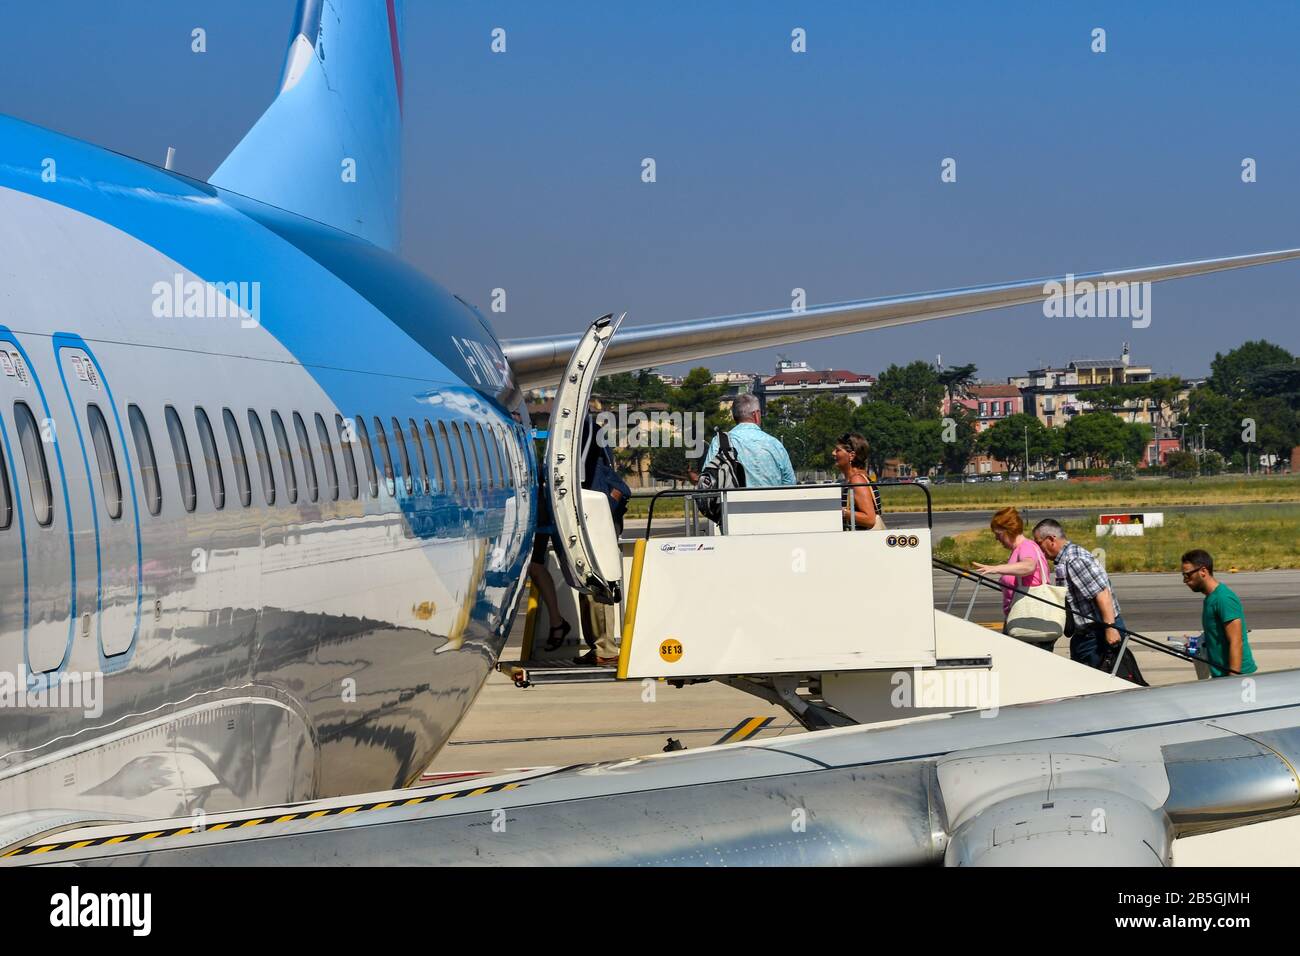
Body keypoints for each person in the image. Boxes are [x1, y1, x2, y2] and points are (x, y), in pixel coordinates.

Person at [1032, 518, 1130, 671]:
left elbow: (1102, 593)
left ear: (1051, 539)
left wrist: (1110, 629)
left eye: (1039, 543)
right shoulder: (1066, 559)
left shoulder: (1074, 560)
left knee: (1097, 683)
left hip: (1098, 633)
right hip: (1087, 634)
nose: (1038, 549)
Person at [1180, 548, 1257, 679]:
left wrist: (1232, 680)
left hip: (1237, 677)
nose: (1185, 581)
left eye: (1188, 575)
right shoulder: (1210, 598)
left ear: (1203, 571)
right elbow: (1218, 635)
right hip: (1221, 676)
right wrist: (1196, 642)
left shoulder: (1223, 599)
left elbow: (1236, 641)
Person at [695, 393, 795, 488]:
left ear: (734, 416)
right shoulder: (775, 444)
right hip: (773, 504)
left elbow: (707, 480)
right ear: (756, 415)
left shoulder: (719, 442)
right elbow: (789, 482)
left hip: (731, 505)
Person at [973, 507, 1046, 620]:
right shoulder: (1017, 550)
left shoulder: (1026, 547)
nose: (996, 538)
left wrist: (996, 569)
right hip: (1019, 617)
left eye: (998, 534)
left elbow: (1029, 566)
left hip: (1027, 619)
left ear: (1009, 530)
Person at [832, 433, 883, 530]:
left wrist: (840, 512)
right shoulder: (858, 478)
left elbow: (869, 519)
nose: (833, 453)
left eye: (838, 450)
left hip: (860, 542)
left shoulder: (857, 480)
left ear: (851, 456)